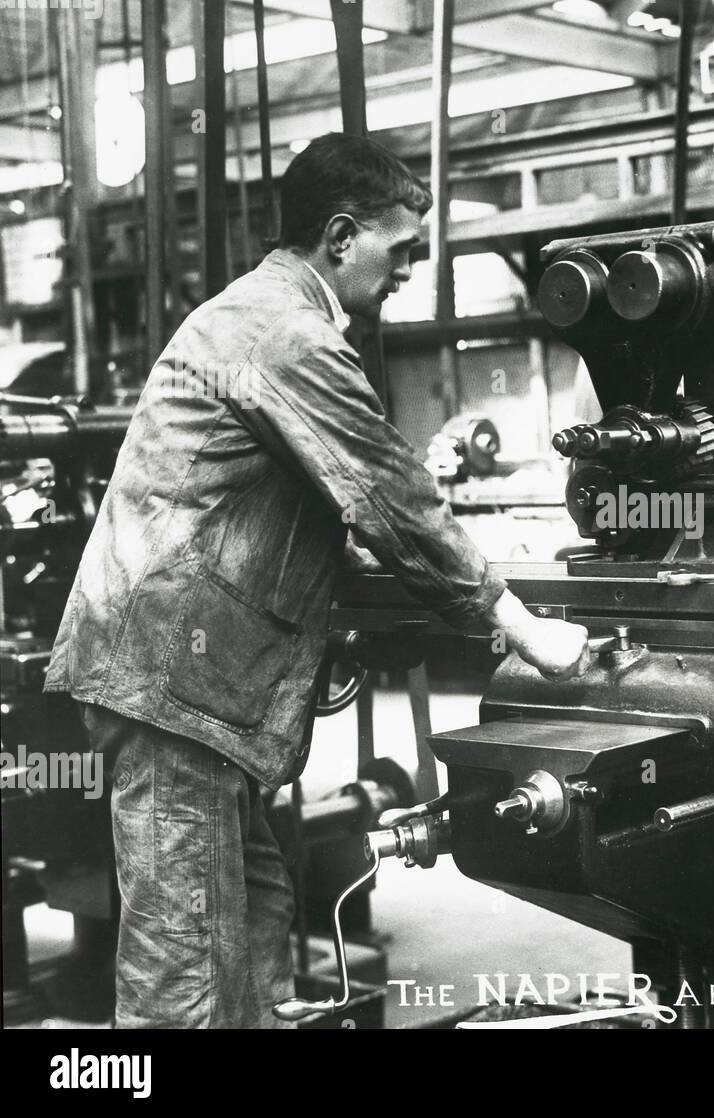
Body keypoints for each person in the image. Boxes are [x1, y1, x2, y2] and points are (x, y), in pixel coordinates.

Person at [43, 132, 591, 1028]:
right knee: (182, 969)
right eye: (401, 249)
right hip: (170, 688)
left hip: (189, 687)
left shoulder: (270, 319)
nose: (409, 271)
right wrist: (517, 621)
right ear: (341, 238)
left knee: (254, 912)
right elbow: (389, 490)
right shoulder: (283, 330)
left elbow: (323, 500)